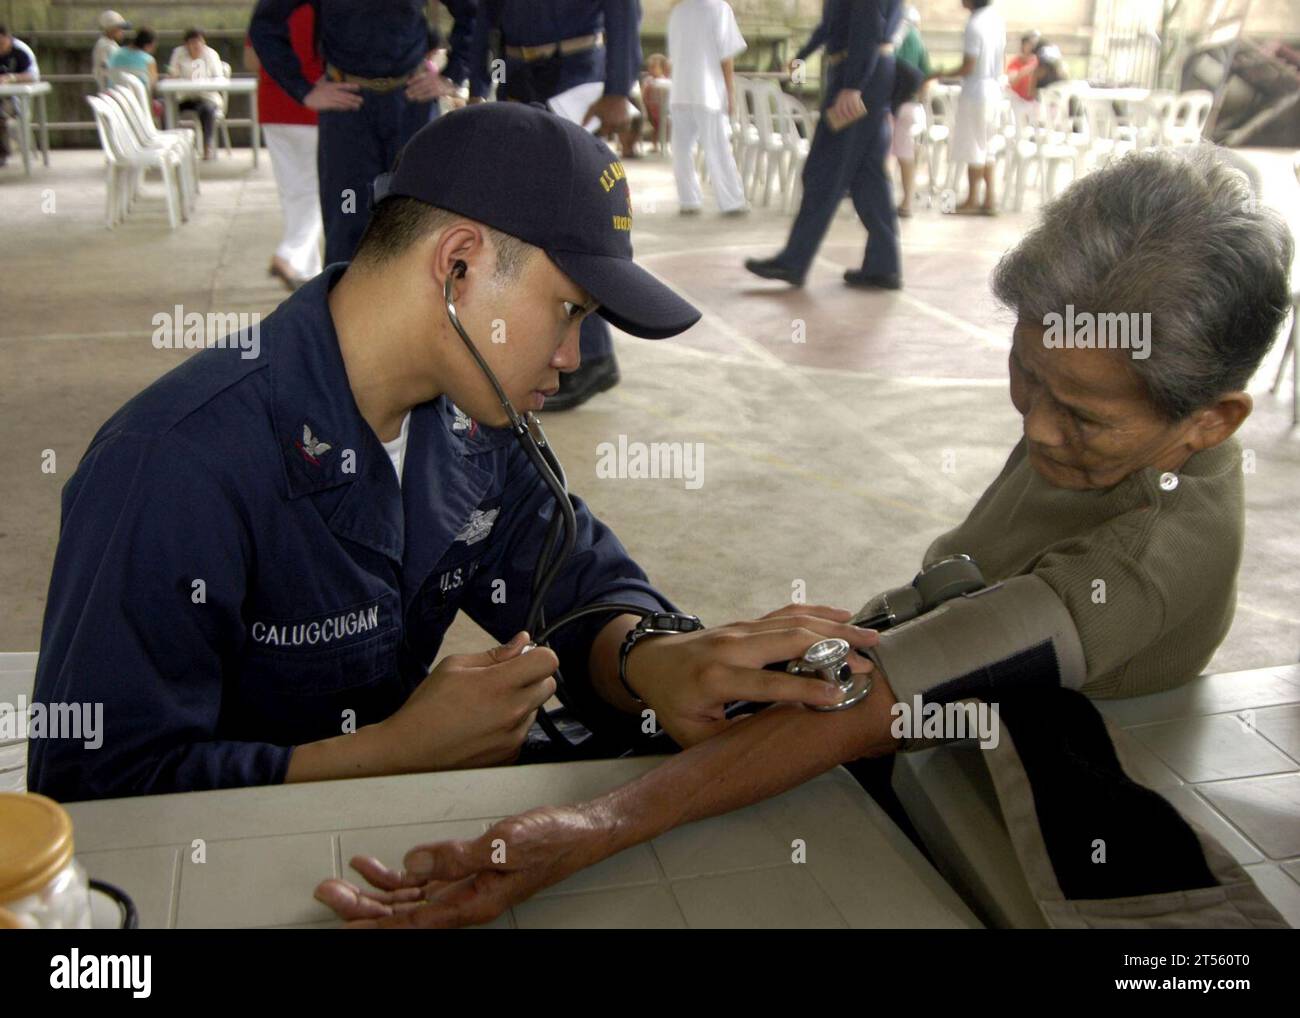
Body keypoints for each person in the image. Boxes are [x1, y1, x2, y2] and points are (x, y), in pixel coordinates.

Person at [312, 146, 1297, 927]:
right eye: (1025, 374)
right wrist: (656, 656)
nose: (1038, 425)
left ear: (1211, 421)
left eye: (1080, 415)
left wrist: (590, 826)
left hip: (956, 764)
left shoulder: (1141, 565)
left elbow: (880, 701)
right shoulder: (1112, 409)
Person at [28, 102, 875, 802]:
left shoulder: (472, 425)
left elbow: (573, 581)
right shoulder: (171, 463)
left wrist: (653, 658)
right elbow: (94, 789)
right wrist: (394, 753)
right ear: (458, 266)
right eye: (570, 310)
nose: (574, 358)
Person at [466, 1, 647, 412]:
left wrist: (618, 89)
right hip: (516, 81)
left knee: (580, 219)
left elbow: (623, 9)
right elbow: (484, 16)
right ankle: (542, 350)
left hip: (577, 80)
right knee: (525, 223)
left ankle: (594, 357)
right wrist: (477, 87)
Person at [248, 0, 476, 269]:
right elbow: (265, 26)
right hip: (348, 113)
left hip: (412, 106)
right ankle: (344, 307)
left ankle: (424, 308)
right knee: (347, 224)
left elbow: (473, 13)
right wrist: (303, 89)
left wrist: (452, 75)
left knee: (422, 224)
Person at [745, 0, 904, 291]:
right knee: (868, 176)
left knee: (824, 170)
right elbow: (833, 24)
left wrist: (853, 85)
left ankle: (793, 261)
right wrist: (801, 56)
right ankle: (884, 265)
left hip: (857, 75)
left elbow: (868, 24)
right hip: (867, 71)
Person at [244, 4, 324, 291]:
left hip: (273, 108)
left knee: (293, 191)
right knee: (319, 190)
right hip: (316, 107)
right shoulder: (326, 7)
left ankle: (308, 269)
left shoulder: (268, 9)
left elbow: (252, 59)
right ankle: (290, 254)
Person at [666, 0, 748, 216]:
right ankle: (731, 201)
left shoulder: (678, 11)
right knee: (718, 147)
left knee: (682, 149)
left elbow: (673, 53)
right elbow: (726, 56)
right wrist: (729, 92)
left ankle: (688, 200)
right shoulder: (720, 9)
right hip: (708, 88)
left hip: (681, 88)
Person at [934, 0, 1005, 215]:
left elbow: (969, 65)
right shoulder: (996, 20)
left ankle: (973, 198)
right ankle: (990, 197)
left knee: (974, 146)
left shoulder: (974, 25)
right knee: (988, 145)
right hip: (994, 90)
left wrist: (941, 73)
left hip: (976, 92)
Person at [890, 6, 930, 218]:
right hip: (911, 104)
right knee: (906, 155)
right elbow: (927, 75)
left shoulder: (894, 35)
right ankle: (906, 202)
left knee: (885, 155)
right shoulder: (919, 40)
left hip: (890, 104)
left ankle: (882, 201)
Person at [167, 27, 226, 160]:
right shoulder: (178, 53)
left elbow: (219, 77)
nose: (197, 45)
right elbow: (173, 74)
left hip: (206, 96)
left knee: (207, 110)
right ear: (186, 44)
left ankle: (207, 147)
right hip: (184, 97)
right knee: (167, 107)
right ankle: (172, 148)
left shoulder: (211, 54)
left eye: (200, 41)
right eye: (193, 42)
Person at [0, 25, 37, 168]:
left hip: (15, 99)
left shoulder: (21, 52)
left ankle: (2, 154)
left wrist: (12, 78)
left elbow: (33, 76)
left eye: (2, 44)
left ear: (8, 39)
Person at [106, 26, 158, 94]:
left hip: (115, 98)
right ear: (148, 46)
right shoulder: (149, 61)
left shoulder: (115, 54)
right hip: (139, 100)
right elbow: (153, 87)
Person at [92, 10, 131, 90]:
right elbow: (113, 70)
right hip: (110, 91)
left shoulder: (107, 44)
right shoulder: (106, 46)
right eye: (119, 29)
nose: (122, 32)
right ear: (111, 29)